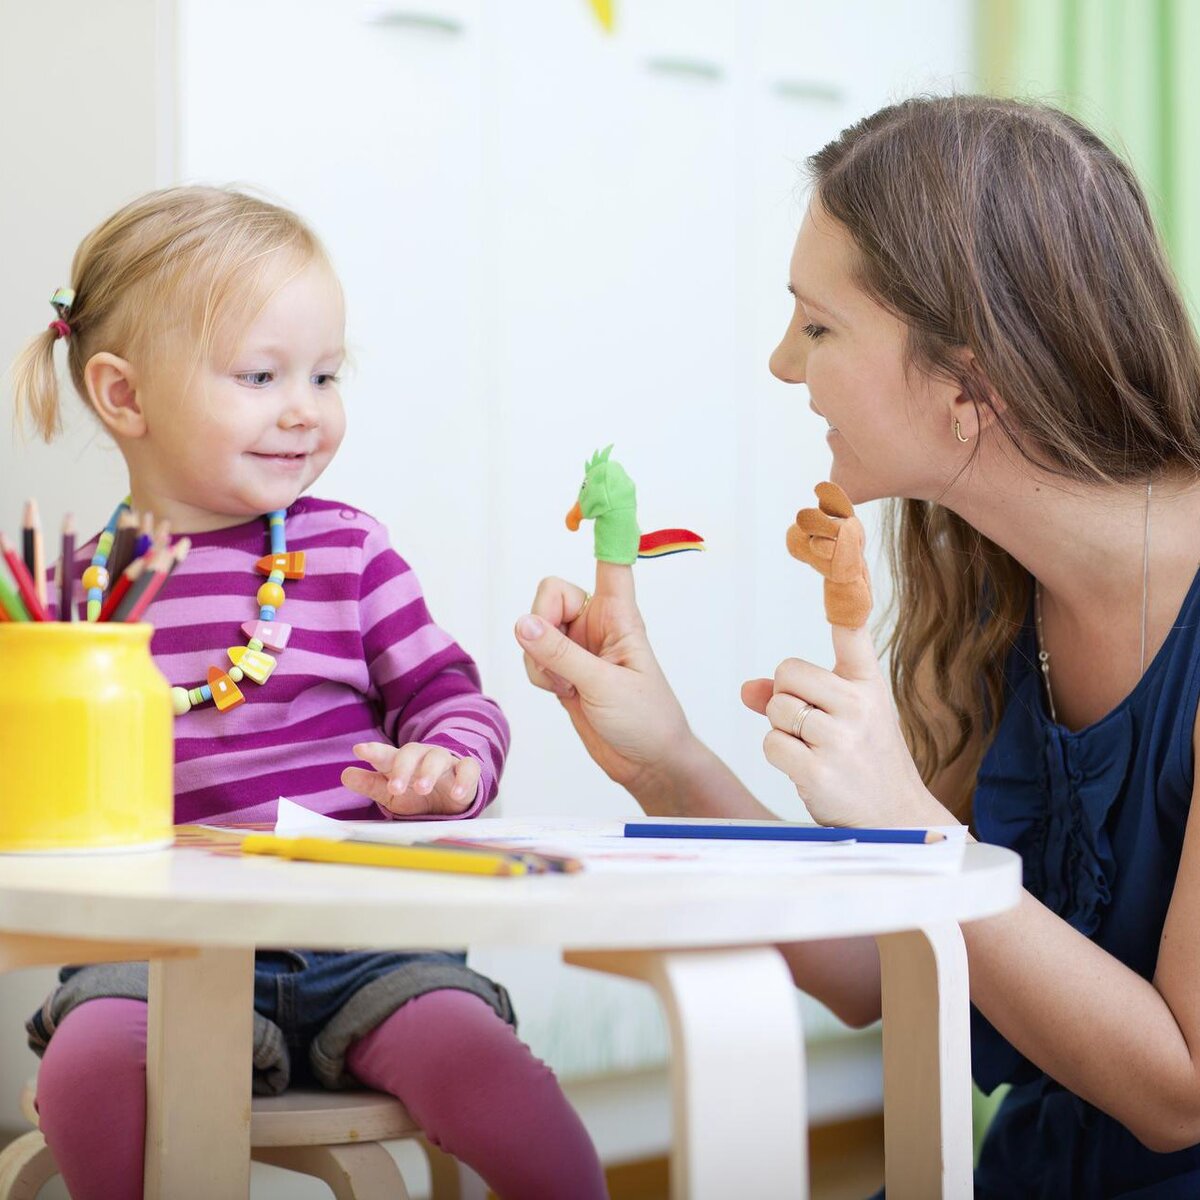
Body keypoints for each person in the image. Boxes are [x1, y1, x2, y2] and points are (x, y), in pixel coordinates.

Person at [516, 94, 1200, 1197]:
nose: (784, 365)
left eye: (819, 326)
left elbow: (1180, 1093)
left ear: (970, 381)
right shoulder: (989, 592)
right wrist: (667, 758)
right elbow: (867, 970)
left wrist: (916, 827)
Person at [11, 185, 605, 1200]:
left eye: (326, 375)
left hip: (369, 946)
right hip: (157, 953)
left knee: (494, 1081)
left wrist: (446, 768)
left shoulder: (346, 552)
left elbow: (452, 698)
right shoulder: (78, 596)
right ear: (124, 397)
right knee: (85, 1071)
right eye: (261, 375)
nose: (306, 408)